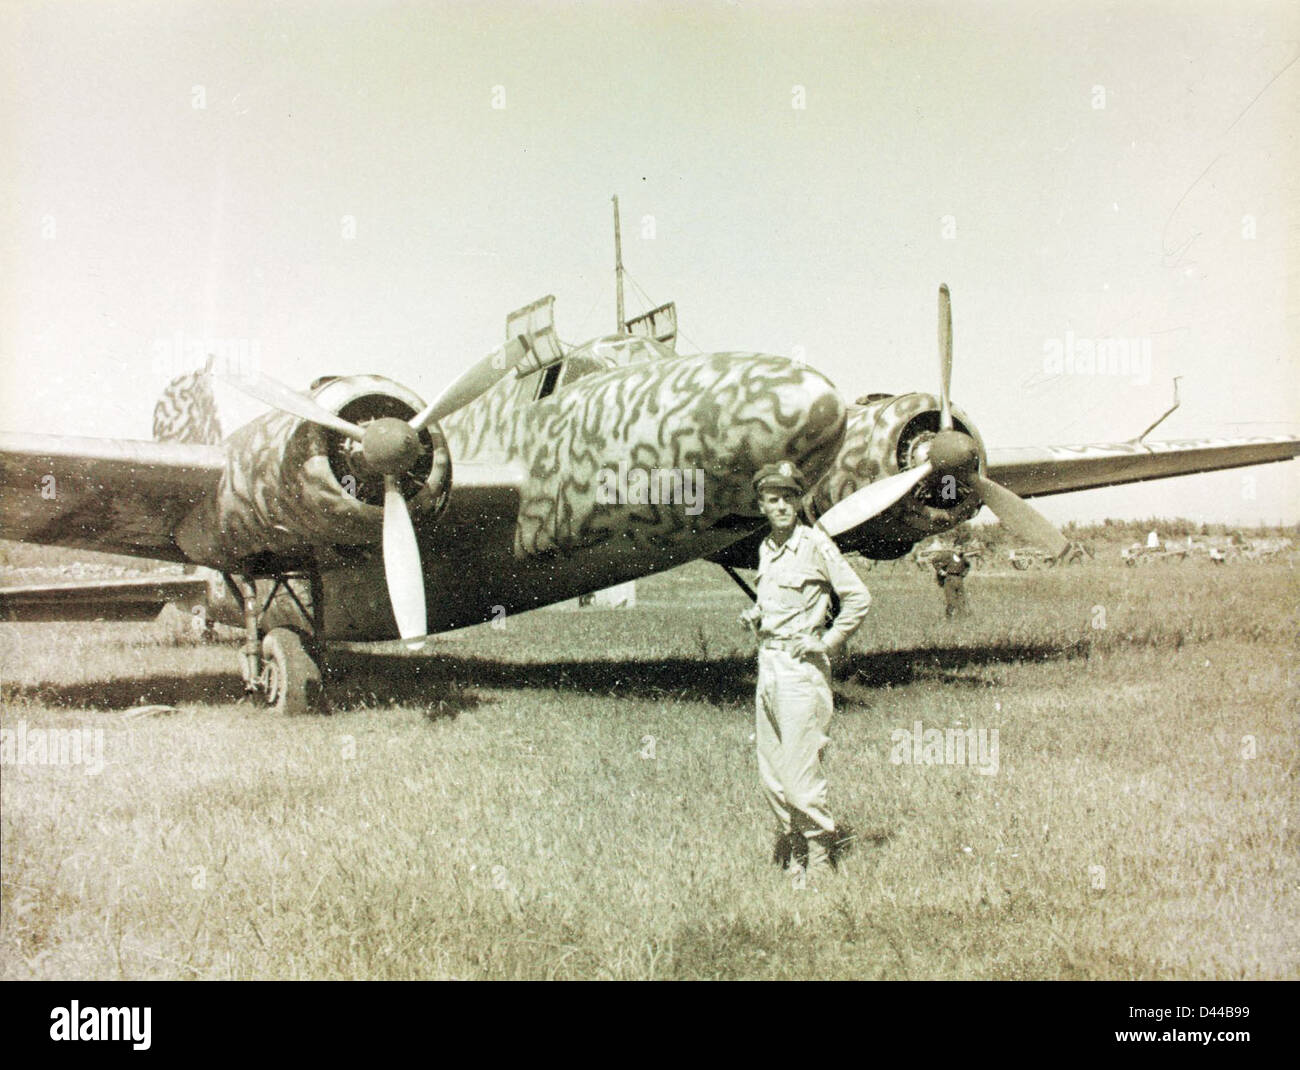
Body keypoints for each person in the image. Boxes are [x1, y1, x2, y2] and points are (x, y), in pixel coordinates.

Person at [739, 461, 872, 881]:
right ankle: (795, 848)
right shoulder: (766, 548)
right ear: (762, 505)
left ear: (799, 501)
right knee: (772, 775)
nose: (782, 507)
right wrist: (756, 613)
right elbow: (776, 599)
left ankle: (818, 859)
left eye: (789, 498)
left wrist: (827, 641)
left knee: (799, 773)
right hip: (769, 665)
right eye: (773, 499)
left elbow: (858, 598)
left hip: (801, 671)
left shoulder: (815, 544)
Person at [933, 549, 970, 618]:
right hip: (949, 579)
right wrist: (940, 571)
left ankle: (961, 618)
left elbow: (967, 566)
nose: (960, 549)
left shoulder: (963, 558)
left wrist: (964, 574)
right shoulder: (948, 556)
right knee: (951, 601)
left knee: (961, 600)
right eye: (959, 547)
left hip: (959, 580)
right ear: (955, 547)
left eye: (962, 547)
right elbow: (934, 560)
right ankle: (949, 618)